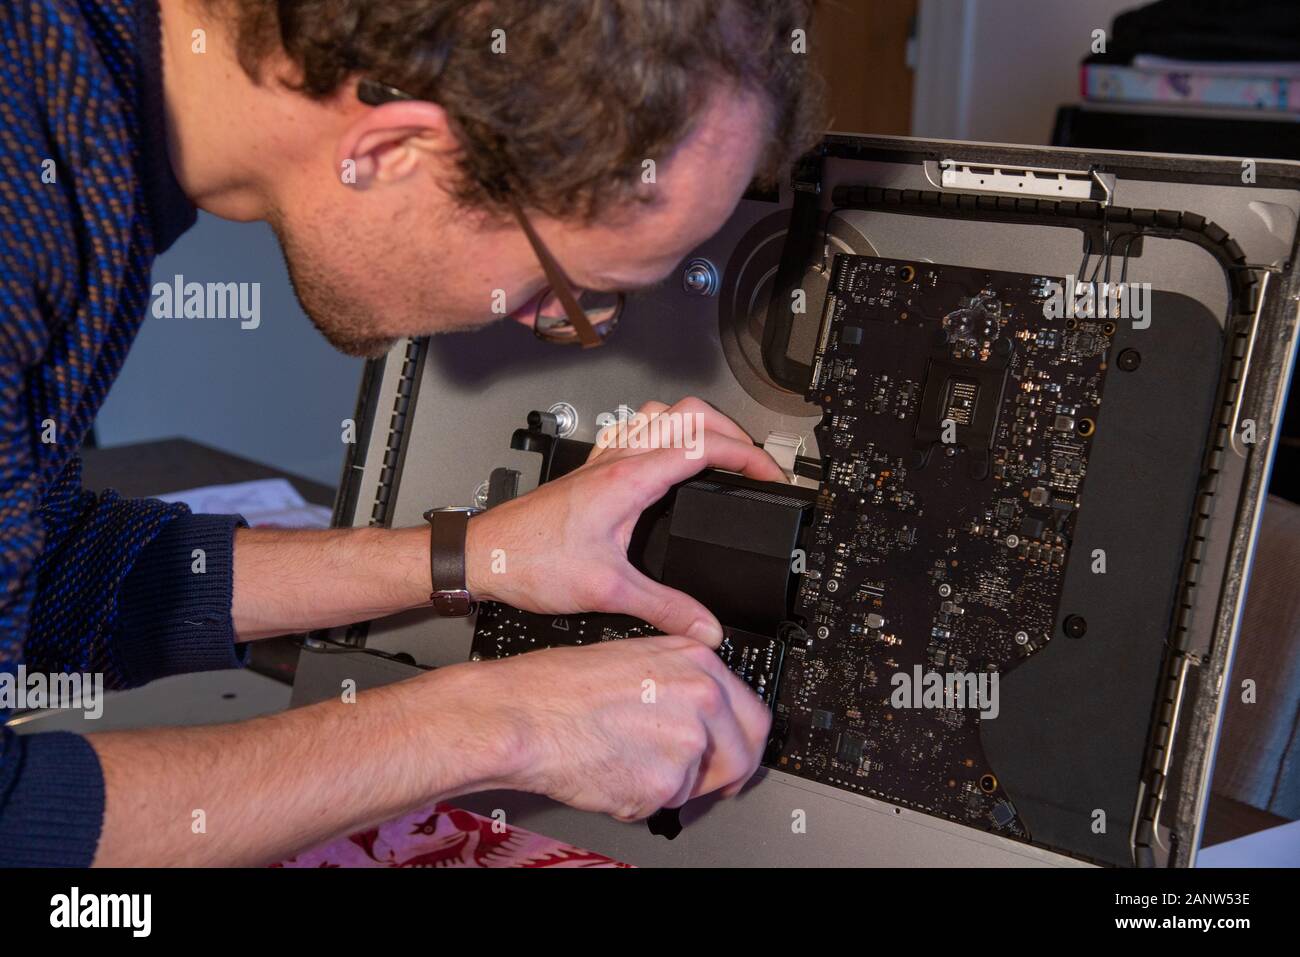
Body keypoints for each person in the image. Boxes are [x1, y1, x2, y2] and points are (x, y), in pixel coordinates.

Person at [0, 0, 821, 864]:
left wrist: (477, 554)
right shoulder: (25, 206)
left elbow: (49, 573)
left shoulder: (84, 118)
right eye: (574, 290)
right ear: (389, 153)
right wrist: (500, 723)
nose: (547, 326)